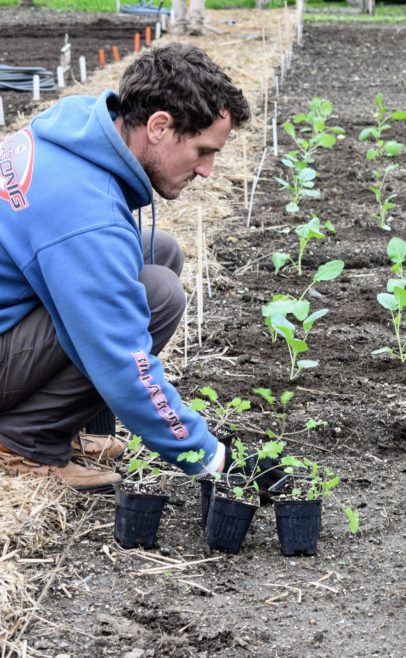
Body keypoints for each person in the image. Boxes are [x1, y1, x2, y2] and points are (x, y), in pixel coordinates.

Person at [0, 43, 250, 493]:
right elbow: (121, 359)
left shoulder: (77, 128)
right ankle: (25, 441)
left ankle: (53, 421)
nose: (208, 170)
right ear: (159, 126)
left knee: (159, 251)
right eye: (202, 151)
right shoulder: (85, 213)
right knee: (158, 295)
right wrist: (212, 457)